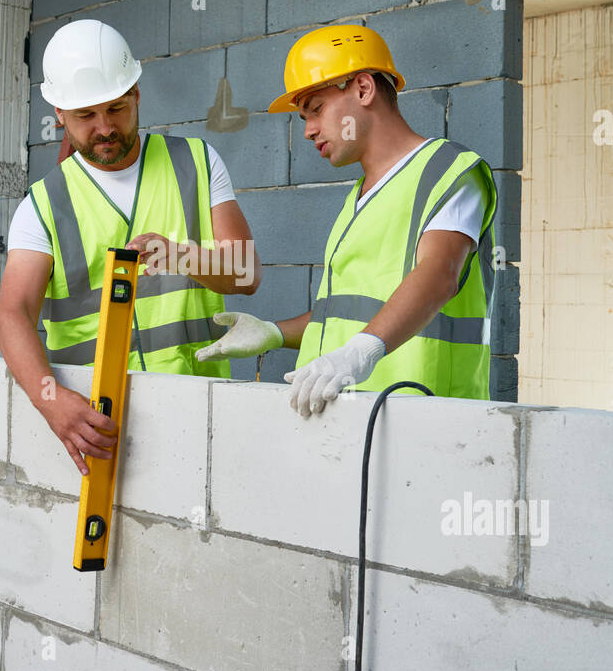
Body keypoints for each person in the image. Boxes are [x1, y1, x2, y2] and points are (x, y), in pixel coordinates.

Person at [0, 19, 262, 474]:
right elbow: (12, 314)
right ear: (59, 113)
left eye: (117, 108)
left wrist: (183, 255)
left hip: (197, 416)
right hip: (93, 428)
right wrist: (52, 402)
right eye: (85, 116)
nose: (105, 128)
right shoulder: (41, 206)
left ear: (137, 94)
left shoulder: (196, 163)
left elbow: (247, 275)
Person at [196, 25, 497, 417]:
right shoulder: (358, 197)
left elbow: (440, 272)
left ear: (363, 89)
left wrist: (360, 352)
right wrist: (272, 332)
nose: (308, 131)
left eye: (316, 109)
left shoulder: (446, 171)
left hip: (423, 418)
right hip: (347, 420)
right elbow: (341, 316)